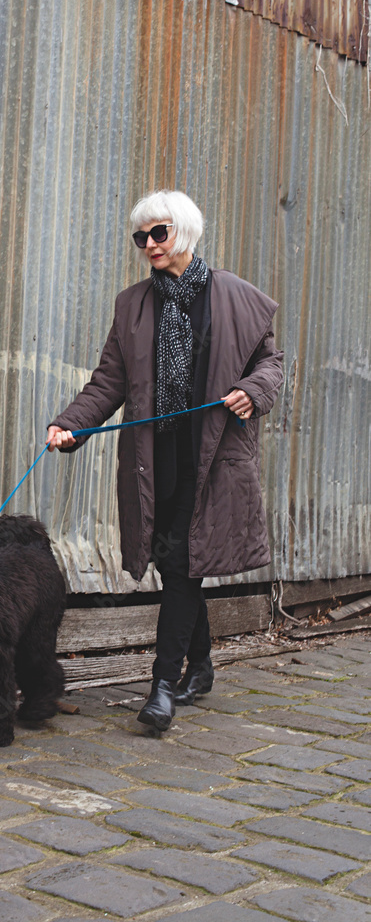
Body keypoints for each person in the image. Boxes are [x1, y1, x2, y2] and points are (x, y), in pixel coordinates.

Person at [47, 190, 284, 732]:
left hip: (213, 457)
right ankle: (199, 667)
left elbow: (271, 363)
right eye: (141, 236)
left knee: (182, 564)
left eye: (159, 233)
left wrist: (253, 390)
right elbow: (109, 381)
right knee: (178, 562)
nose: (149, 245)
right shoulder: (132, 304)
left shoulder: (235, 296)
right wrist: (70, 424)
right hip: (156, 459)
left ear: (185, 233)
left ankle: (162, 685)